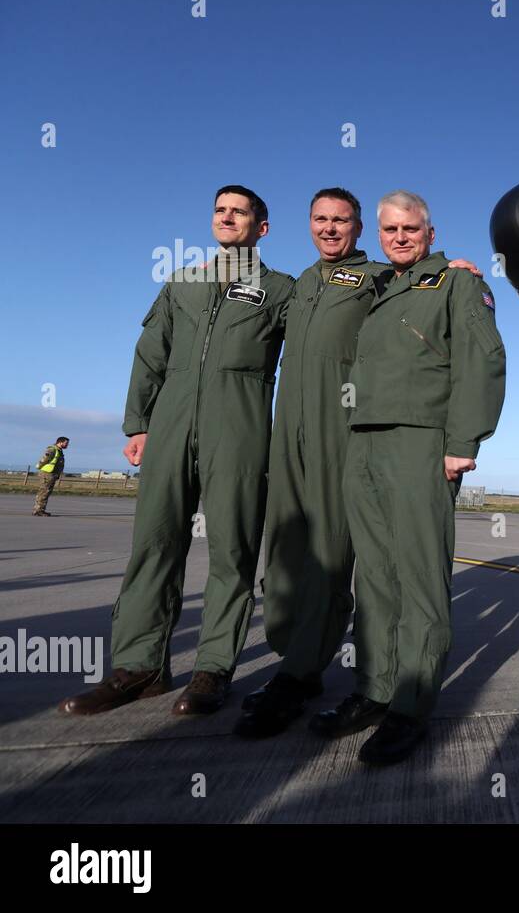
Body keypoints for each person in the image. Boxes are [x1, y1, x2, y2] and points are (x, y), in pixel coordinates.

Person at [237, 188, 480, 738]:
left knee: (345, 558)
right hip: (294, 434)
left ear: (356, 228)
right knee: (295, 553)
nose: (329, 229)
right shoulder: (298, 284)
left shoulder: (378, 277)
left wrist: (457, 269)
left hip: (349, 431)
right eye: (319, 219)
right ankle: (323, 670)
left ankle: (315, 676)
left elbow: (454, 328)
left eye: (341, 220)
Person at [60, 186, 295, 718]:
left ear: (261, 228)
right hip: (169, 424)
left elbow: (332, 313)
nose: (227, 216)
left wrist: (430, 271)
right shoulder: (182, 282)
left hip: (239, 427)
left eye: (239, 211)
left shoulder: (282, 289)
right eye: (220, 210)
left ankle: (212, 670)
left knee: (232, 551)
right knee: (154, 543)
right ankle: (139, 667)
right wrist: (138, 423)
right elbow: (150, 354)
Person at [310, 190, 505, 765]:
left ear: (430, 229)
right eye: (390, 229)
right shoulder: (379, 288)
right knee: (374, 577)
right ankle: (373, 688)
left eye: (410, 228)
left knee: (419, 578)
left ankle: (411, 706)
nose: (399, 237)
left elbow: (483, 360)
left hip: (421, 443)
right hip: (365, 440)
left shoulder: (456, 284)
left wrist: (462, 442)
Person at [32, 437, 69, 516]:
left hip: (52, 474)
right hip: (47, 474)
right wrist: (39, 466)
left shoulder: (59, 451)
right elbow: (45, 459)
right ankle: (38, 510)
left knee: (46, 492)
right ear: (60, 442)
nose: (67, 445)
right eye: (66, 443)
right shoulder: (52, 449)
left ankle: (40, 509)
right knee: (44, 492)